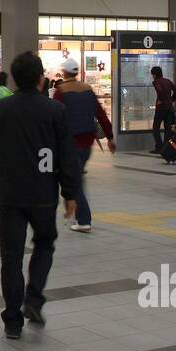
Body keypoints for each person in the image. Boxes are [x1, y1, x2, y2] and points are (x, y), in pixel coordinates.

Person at [0, 51, 79, 339]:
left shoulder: (2, 109)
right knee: (44, 244)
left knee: (11, 257)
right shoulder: (55, 110)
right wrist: (70, 193)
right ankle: (33, 298)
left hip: (11, 194)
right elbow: (67, 156)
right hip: (44, 193)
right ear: (40, 78)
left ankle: (12, 320)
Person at [51, 58, 114, 233]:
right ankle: (79, 215)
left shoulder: (61, 92)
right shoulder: (88, 90)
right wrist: (110, 137)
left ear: (64, 73)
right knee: (76, 178)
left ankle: (84, 220)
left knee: (74, 182)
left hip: (69, 144)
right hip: (87, 144)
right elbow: (101, 115)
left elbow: (55, 118)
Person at [150, 65, 176, 152]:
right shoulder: (167, 81)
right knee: (168, 128)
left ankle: (159, 147)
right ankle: (166, 148)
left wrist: (162, 100)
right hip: (169, 108)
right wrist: (171, 100)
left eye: (152, 74)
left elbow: (160, 91)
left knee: (156, 127)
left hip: (161, 108)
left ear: (154, 74)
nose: (152, 76)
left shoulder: (156, 82)